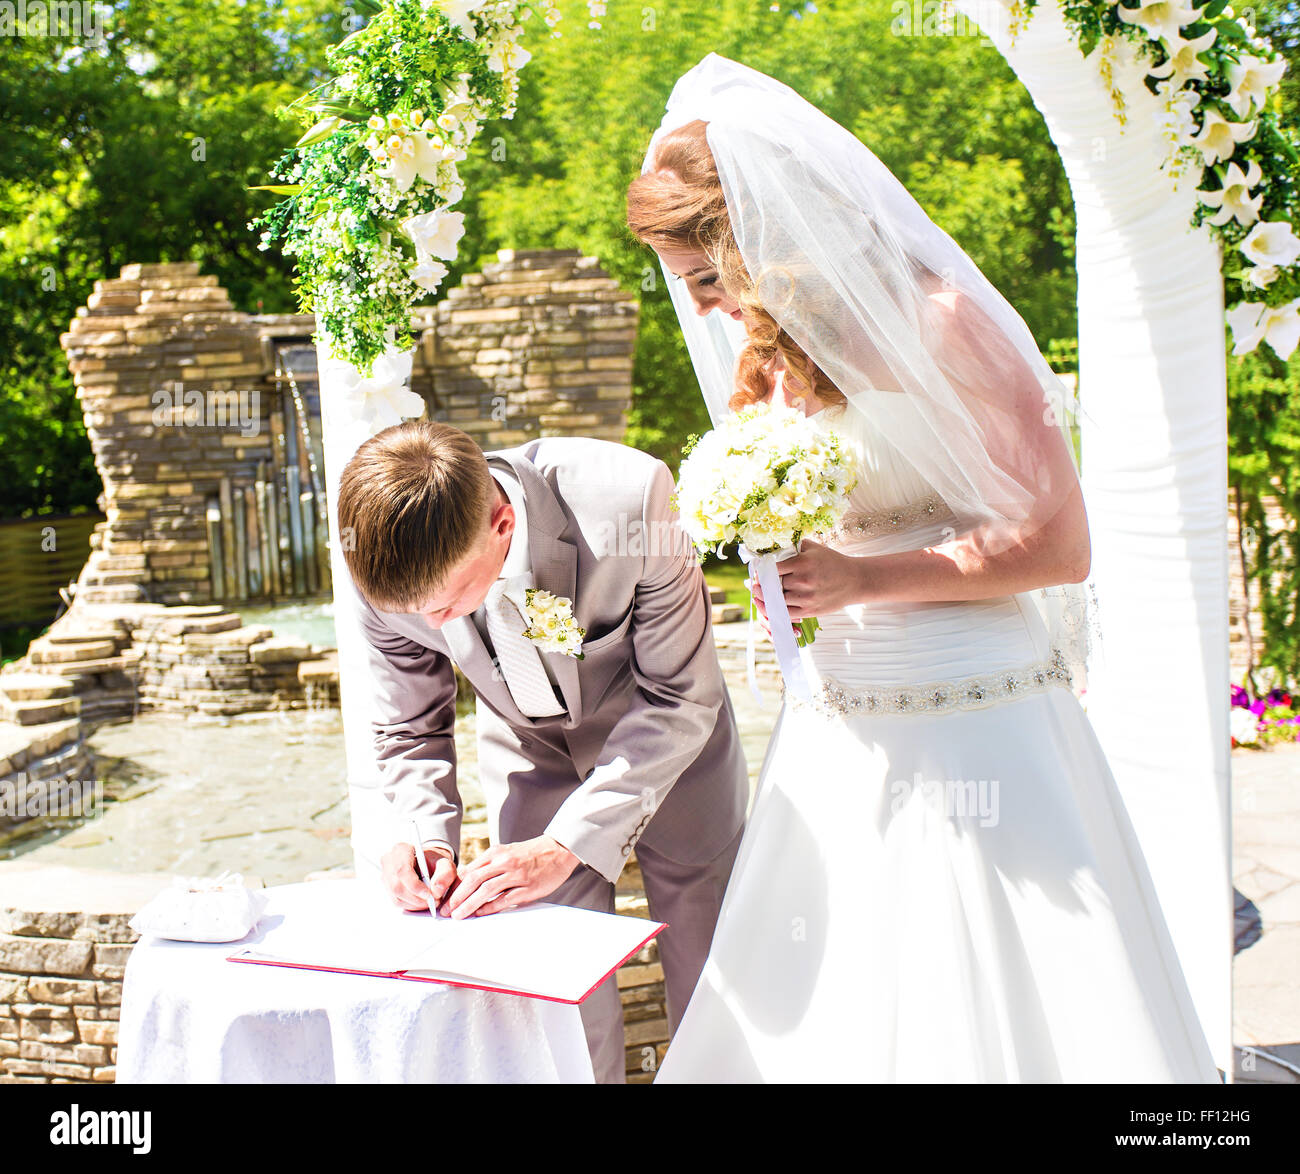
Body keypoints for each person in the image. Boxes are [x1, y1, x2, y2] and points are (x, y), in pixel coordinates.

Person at [626, 53, 1220, 1082]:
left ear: (763, 236)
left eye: (710, 277)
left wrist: (865, 581)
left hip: (975, 691)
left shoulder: (948, 322)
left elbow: (1060, 545)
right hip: (845, 711)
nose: (710, 309)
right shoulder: (765, 356)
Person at [335, 420, 749, 1084]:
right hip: (529, 758)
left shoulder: (631, 499)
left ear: (502, 524)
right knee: (558, 1005)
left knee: (714, 980)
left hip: (670, 757)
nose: (433, 623)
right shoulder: (381, 565)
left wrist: (570, 844)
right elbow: (411, 729)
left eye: (448, 604)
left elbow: (679, 698)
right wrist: (422, 838)